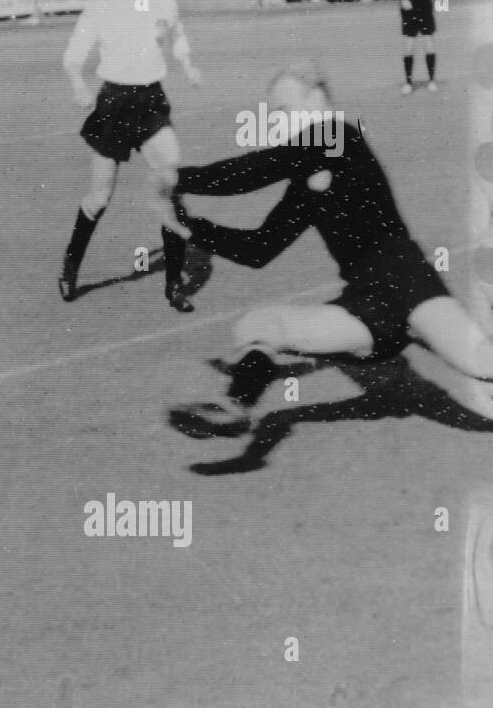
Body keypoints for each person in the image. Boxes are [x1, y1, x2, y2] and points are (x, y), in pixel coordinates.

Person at [170, 61, 493, 436]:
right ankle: (235, 406)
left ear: (317, 97)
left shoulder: (339, 136)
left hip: (408, 286)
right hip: (364, 308)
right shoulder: (307, 176)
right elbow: (260, 248)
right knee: (258, 324)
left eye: (283, 110)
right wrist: (191, 228)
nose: (276, 121)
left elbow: (254, 171)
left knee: (483, 362)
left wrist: (175, 177)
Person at [58, 0, 203, 312]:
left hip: (152, 101)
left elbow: (179, 35)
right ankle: (71, 265)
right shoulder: (102, 3)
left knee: (171, 186)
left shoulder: (165, 2)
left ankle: (174, 285)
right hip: (113, 102)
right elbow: (74, 53)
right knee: (100, 195)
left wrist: (187, 64)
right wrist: (77, 83)